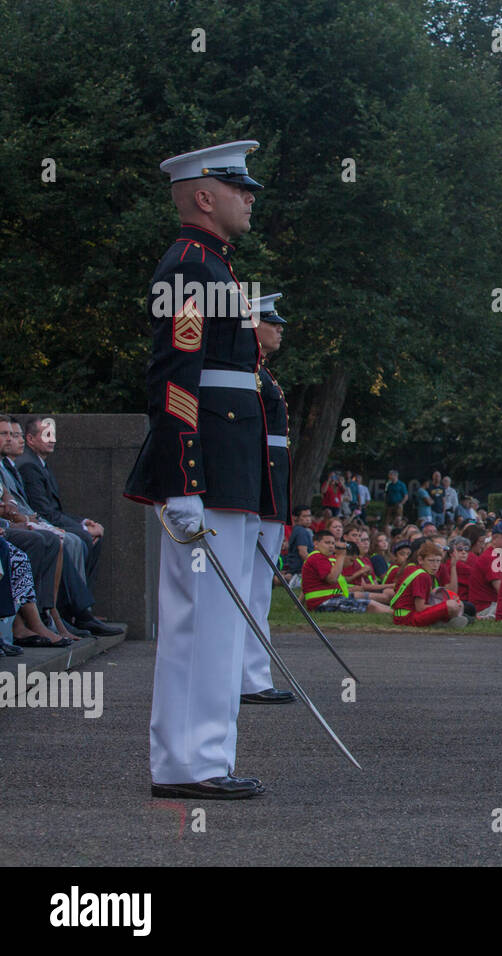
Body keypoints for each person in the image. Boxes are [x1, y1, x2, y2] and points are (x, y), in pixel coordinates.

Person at [122, 140, 269, 799]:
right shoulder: (190, 268)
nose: (251, 197)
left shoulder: (215, 266)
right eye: (240, 188)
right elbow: (175, 379)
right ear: (204, 196)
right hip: (205, 469)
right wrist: (183, 481)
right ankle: (196, 762)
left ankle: (195, 759)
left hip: (224, 467)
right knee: (205, 619)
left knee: (212, 618)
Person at [16, 416, 120, 636]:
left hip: (42, 521)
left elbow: (54, 511)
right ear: (30, 439)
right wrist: (81, 528)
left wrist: (83, 523)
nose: (52, 439)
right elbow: (44, 511)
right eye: (46, 435)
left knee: (90, 537)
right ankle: (77, 612)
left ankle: (81, 608)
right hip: (35, 522)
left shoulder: (39, 464)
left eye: (53, 434)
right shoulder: (28, 466)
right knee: (74, 539)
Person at [241, 293, 295, 705]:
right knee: (253, 589)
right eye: (271, 321)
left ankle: (253, 673)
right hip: (259, 488)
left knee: (257, 588)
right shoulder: (250, 376)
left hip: (268, 488)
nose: (279, 327)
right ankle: (250, 677)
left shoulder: (261, 375)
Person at [300, 529, 390, 614]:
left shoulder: (321, 558)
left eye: (333, 543)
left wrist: (299, 605)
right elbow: (332, 579)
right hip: (322, 602)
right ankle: (397, 614)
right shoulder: (317, 557)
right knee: (370, 605)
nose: (331, 546)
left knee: (371, 601)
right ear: (316, 544)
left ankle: (396, 611)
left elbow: (305, 587)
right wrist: (341, 556)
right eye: (327, 543)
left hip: (328, 598)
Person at [389, 541, 465, 627]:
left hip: (400, 616)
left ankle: (443, 621)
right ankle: (445, 622)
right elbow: (420, 607)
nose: (435, 565)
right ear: (420, 560)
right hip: (408, 618)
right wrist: (442, 606)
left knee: (457, 604)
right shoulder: (423, 576)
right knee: (451, 605)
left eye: (438, 561)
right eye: (431, 561)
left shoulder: (412, 568)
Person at [283, 505, 314, 588]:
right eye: (304, 516)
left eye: (309, 516)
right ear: (296, 518)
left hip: (295, 570)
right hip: (299, 571)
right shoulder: (301, 531)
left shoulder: (299, 530)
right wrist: (315, 566)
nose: (308, 519)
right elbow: (303, 553)